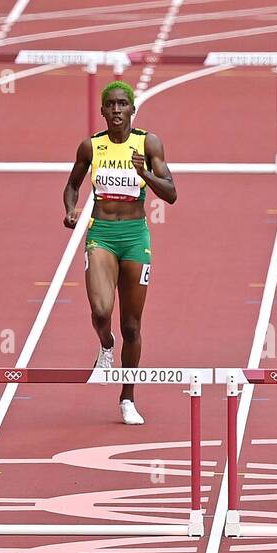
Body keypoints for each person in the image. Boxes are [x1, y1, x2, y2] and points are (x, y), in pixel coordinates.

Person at [62, 80, 177, 425]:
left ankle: (127, 397)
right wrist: (70, 209)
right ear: (101, 111)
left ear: (132, 109)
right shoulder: (90, 147)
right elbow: (72, 185)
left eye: (121, 105)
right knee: (100, 311)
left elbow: (171, 193)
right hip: (101, 234)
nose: (115, 111)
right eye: (110, 105)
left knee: (132, 324)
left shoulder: (148, 143)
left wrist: (144, 173)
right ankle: (105, 343)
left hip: (134, 237)